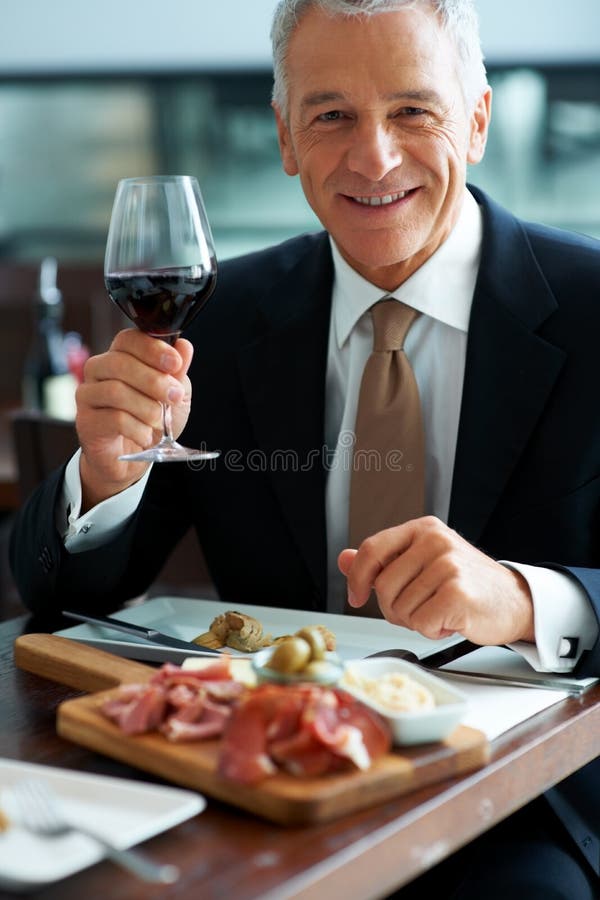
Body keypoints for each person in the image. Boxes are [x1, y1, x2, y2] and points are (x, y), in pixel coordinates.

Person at [10, 1, 599, 897]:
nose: (373, 157)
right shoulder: (223, 316)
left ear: (477, 120)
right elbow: (66, 592)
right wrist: (104, 475)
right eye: (331, 116)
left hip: (514, 806)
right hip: (249, 780)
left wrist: (523, 599)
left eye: (413, 110)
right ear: (286, 139)